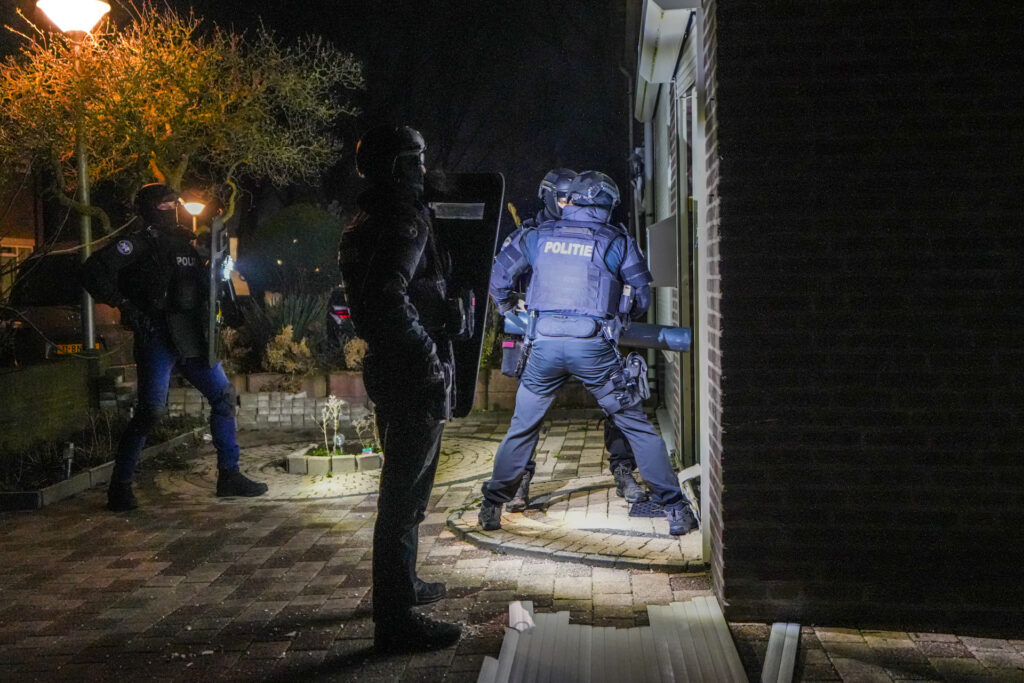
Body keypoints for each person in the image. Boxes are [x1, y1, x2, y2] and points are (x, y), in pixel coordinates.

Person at [479, 171, 698, 535]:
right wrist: (621, 312)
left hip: (543, 348)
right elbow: (642, 298)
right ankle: (675, 510)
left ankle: (491, 507)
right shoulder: (616, 240)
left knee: (521, 428)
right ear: (606, 205)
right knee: (637, 427)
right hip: (594, 349)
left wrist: (508, 311)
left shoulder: (537, 235)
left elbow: (498, 278)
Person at [338, 124, 461, 653]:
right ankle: (396, 619)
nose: (422, 168)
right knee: (403, 499)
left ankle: (403, 587)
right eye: (415, 159)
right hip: (411, 373)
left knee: (403, 494)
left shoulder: (365, 219)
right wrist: (429, 355)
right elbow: (388, 299)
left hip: (390, 369)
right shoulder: (402, 220)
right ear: (397, 167)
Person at [81, 183, 268, 512]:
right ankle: (120, 486)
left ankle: (229, 475)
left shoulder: (187, 242)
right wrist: (127, 307)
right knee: (150, 412)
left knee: (223, 397)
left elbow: (207, 284)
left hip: (191, 333)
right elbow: (92, 271)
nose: (172, 208)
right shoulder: (139, 243)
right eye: (165, 204)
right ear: (151, 208)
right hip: (156, 334)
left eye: (174, 202)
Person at [503, 169, 648, 513]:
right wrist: (510, 309)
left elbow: (630, 283)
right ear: (553, 198)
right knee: (528, 415)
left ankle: (624, 470)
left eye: (575, 198)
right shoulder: (532, 234)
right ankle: (518, 481)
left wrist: (621, 313)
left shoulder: (606, 234)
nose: (571, 204)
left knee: (619, 402)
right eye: (565, 198)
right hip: (541, 337)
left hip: (593, 336)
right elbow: (504, 276)